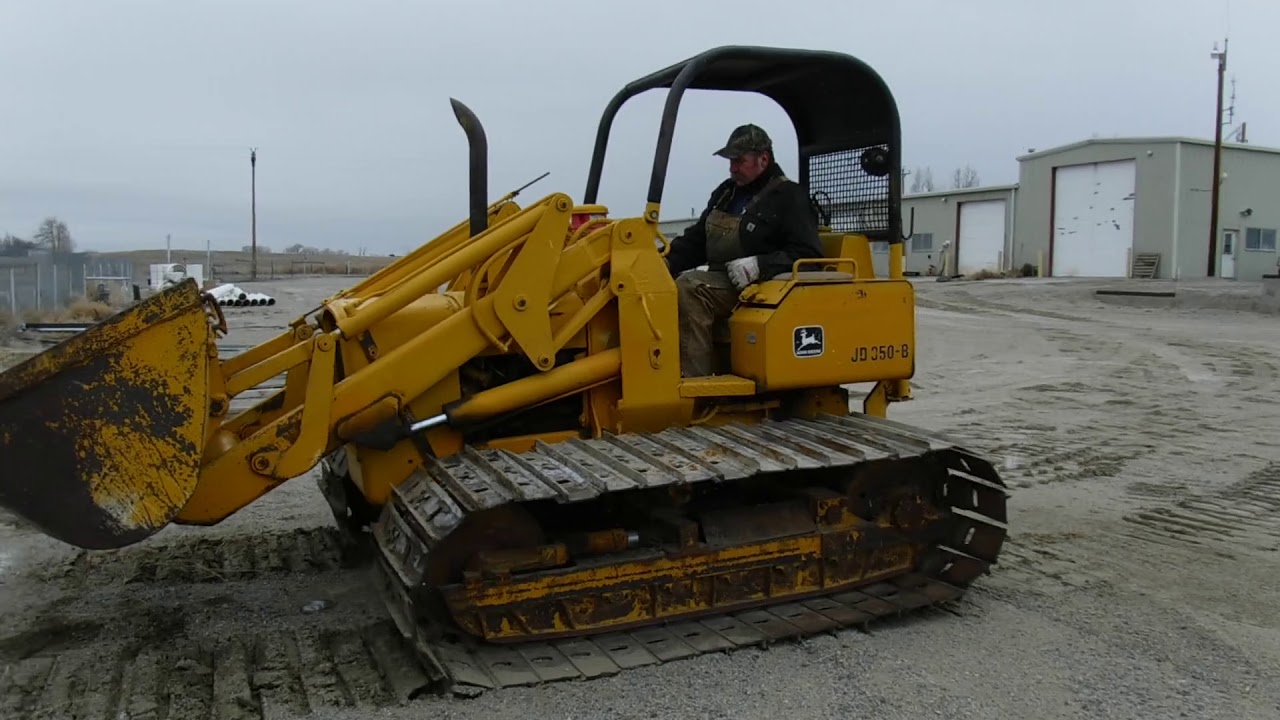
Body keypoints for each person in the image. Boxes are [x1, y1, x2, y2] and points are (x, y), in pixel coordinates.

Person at [664, 123, 822, 377]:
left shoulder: (788, 197)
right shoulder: (727, 193)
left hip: (761, 288)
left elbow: (809, 255)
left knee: (690, 289)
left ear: (763, 159)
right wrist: (663, 261)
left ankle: (695, 385)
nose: (732, 168)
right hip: (722, 279)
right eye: (730, 162)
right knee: (662, 288)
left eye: (739, 161)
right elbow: (698, 239)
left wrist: (759, 265)